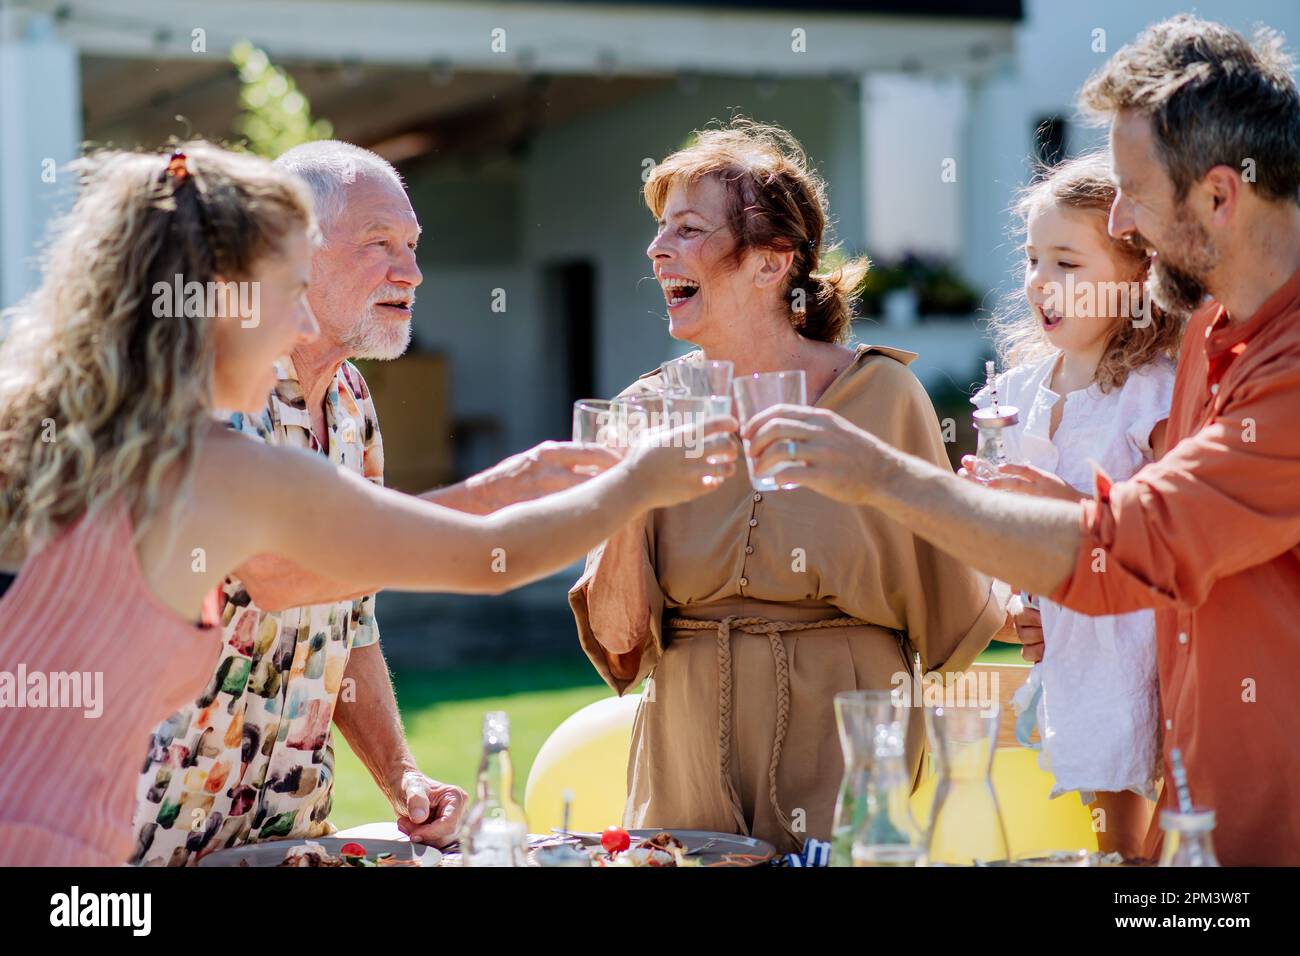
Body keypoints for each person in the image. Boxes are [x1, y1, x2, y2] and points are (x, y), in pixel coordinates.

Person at [0, 142, 738, 866]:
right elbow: (474, 562)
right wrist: (637, 482)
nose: (297, 326)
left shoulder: (114, 438)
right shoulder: (215, 461)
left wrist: (399, 774)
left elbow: (347, 610)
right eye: (288, 291)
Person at [739, 16, 1300, 865]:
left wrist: (883, 476)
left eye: (1133, 191)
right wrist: (1059, 570)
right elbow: (1158, 562)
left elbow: (1144, 542)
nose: (1119, 217)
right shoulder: (1209, 335)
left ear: (1220, 196)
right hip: (1201, 826)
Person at [130, 141, 627, 865]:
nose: (413, 270)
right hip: (143, 838)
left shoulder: (355, 403)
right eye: (380, 243)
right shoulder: (211, 384)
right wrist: (496, 496)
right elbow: (275, 576)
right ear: (294, 251)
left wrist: (402, 776)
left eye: (414, 245)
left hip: (287, 833)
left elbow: (347, 618)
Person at [568, 119, 1009, 855]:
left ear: (772, 265)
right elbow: (617, 639)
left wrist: (1062, 599)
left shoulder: (884, 396)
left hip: (848, 735)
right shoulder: (644, 408)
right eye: (659, 229)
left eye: (687, 229)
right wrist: (625, 495)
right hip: (686, 747)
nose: (656, 249)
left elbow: (955, 608)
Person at [960, 153, 1182, 858]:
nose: (1040, 283)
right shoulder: (1015, 396)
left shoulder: (1152, 394)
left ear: (1137, 277)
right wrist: (1019, 601)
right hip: (1064, 663)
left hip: (1138, 662)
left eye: (1067, 263)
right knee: (1100, 845)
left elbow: (1179, 533)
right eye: (1031, 259)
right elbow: (1004, 546)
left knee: (1142, 848)